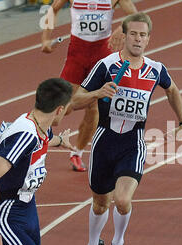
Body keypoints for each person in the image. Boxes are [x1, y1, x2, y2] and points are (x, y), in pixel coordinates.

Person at [71, 12, 182, 245]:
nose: (138, 39)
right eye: (133, 34)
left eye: (143, 35)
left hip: (133, 144)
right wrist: (98, 93)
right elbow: (76, 99)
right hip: (104, 142)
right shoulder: (107, 65)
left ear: (149, 39)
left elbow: (172, 90)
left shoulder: (155, 69)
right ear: (124, 36)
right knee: (100, 204)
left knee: (122, 201)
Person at [0, 78, 74, 245]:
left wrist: (59, 141)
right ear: (60, 109)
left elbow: (42, 141)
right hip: (7, 215)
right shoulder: (25, 134)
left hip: (27, 211)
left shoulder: (37, 125)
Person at [41, 0, 137, 172]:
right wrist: (45, 39)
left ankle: (77, 152)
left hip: (101, 54)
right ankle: (36, 138)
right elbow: (52, 9)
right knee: (64, 106)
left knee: (94, 106)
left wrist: (121, 27)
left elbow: (134, 15)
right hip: (77, 54)